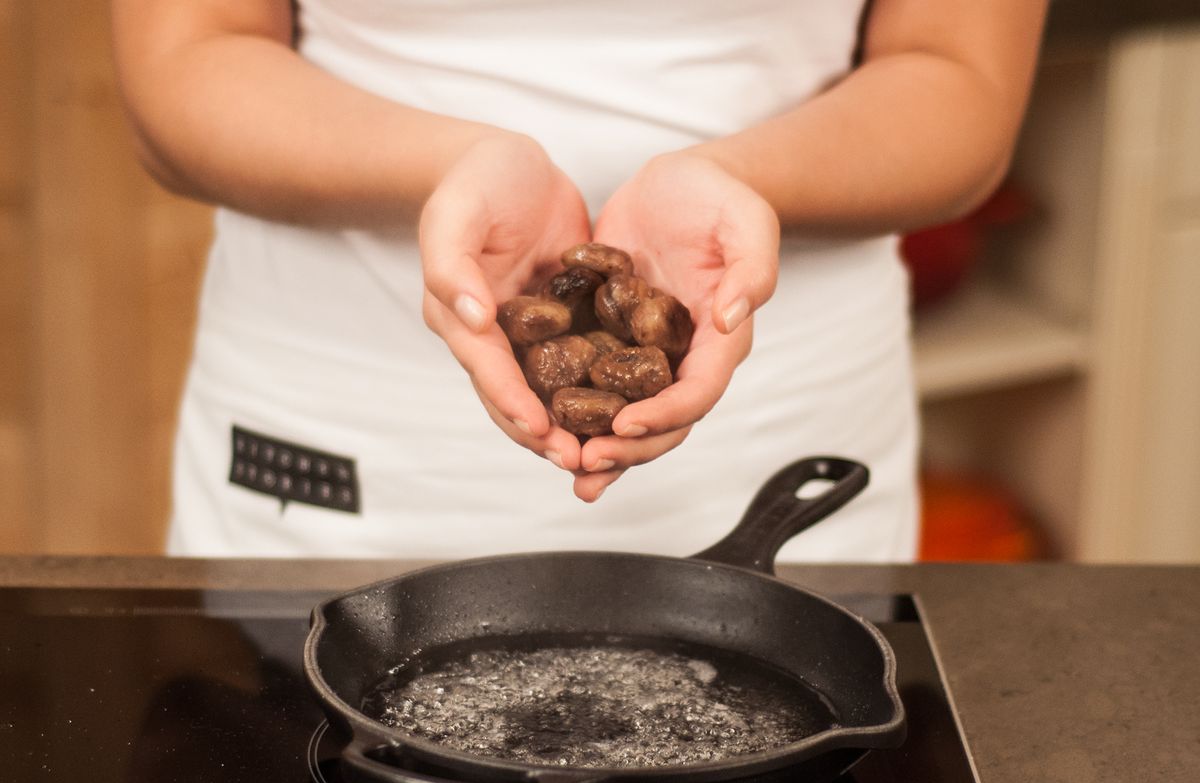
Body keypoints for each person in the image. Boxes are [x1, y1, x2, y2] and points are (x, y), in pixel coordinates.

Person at [112, 0, 1047, 560]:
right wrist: (449, 165)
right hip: (333, 471)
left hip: (776, 469)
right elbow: (186, 59)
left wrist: (740, 182)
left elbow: (960, 75)